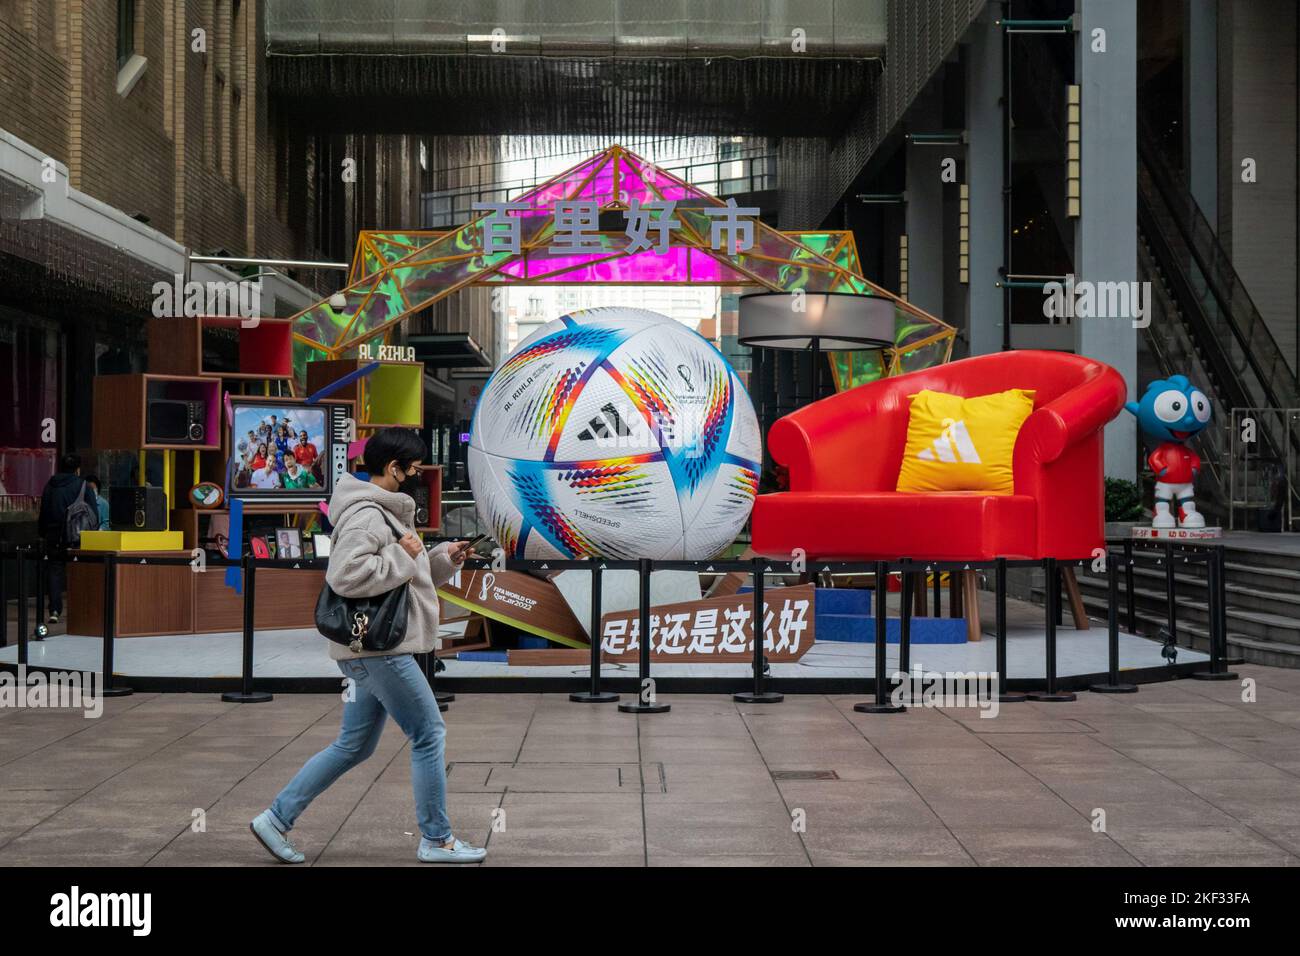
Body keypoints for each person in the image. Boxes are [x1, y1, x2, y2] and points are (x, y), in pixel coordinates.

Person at [250, 428, 484, 864]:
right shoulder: (368, 515)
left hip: (368, 650)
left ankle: (275, 819)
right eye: (412, 469)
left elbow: (404, 580)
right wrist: (403, 554)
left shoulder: (384, 513)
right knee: (428, 733)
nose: (416, 475)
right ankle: (437, 840)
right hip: (381, 652)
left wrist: (440, 559)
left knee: (354, 745)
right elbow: (346, 574)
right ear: (392, 468)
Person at [36, 454, 97, 625]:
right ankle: (81, 610)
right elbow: (93, 514)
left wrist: (43, 532)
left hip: (54, 536)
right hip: (78, 537)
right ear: (77, 469)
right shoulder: (83, 486)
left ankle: (55, 610)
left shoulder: (50, 485)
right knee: (78, 572)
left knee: (55, 571)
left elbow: (44, 512)